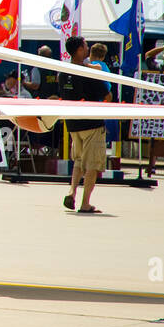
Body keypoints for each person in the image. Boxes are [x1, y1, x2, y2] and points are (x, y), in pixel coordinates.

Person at [59, 36, 107, 213]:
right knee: (92, 165)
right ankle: (85, 203)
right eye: (85, 46)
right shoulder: (89, 72)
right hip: (91, 123)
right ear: (79, 49)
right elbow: (106, 94)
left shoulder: (63, 71)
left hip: (72, 123)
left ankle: (72, 192)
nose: (87, 49)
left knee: (78, 161)